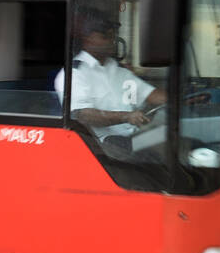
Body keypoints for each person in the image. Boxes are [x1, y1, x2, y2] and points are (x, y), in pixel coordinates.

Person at [55, 12, 166, 151]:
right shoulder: (74, 73)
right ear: (87, 39)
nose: (111, 42)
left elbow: (152, 95)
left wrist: (181, 101)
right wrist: (126, 117)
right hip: (105, 146)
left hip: (134, 137)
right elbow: (81, 115)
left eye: (113, 36)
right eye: (105, 37)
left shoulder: (120, 72)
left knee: (178, 139)